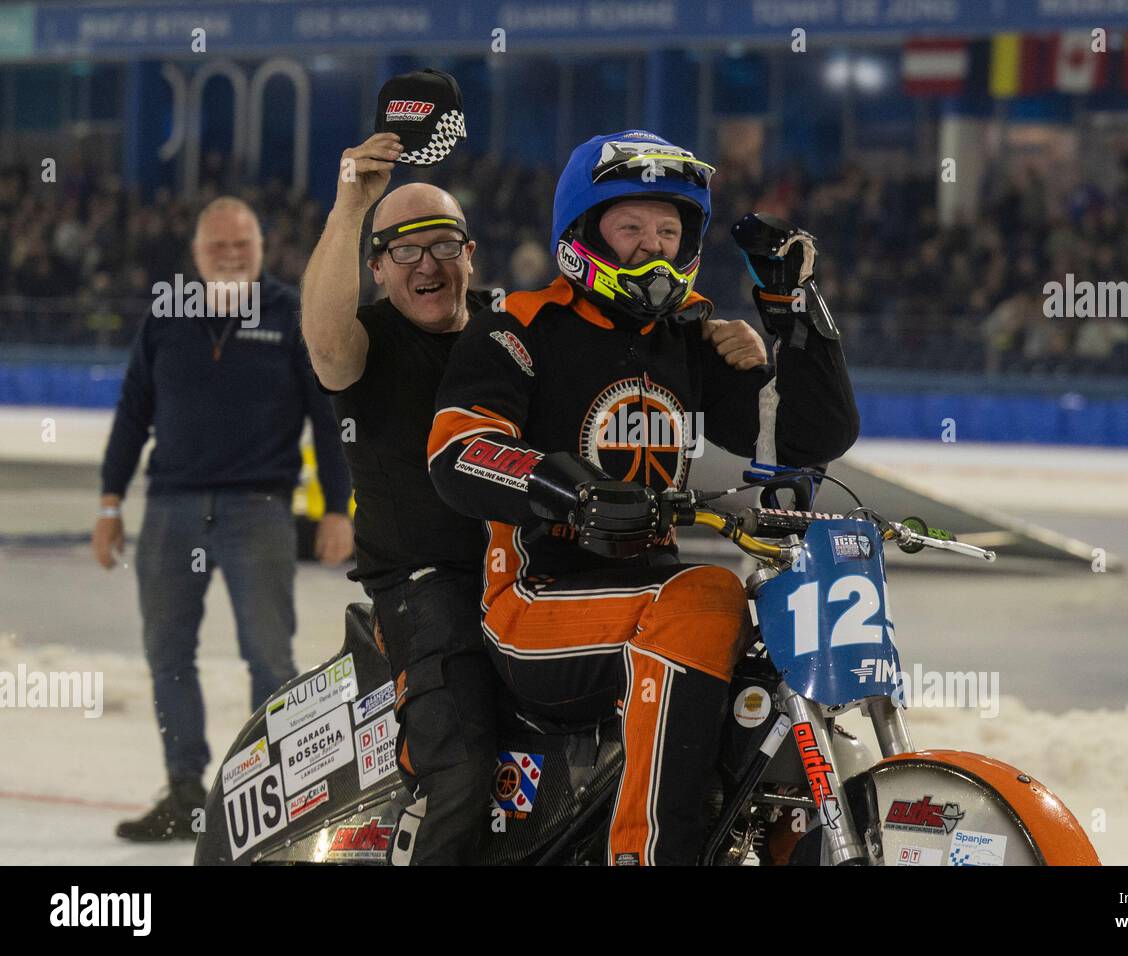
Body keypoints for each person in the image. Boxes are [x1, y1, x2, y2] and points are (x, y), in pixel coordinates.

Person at [428, 130, 859, 865]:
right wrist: (567, 491)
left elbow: (806, 438)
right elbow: (457, 453)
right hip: (533, 602)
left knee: (758, 641)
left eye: (669, 230)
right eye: (630, 227)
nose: (650, 247)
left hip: (646, 596)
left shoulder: (692, 337)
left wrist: (791, 312)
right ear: (583, 231)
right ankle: (648, 852)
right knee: (706, 598)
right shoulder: (520, 327)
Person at [94, 196, 354, 842]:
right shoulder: (166, 315)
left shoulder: (290, 313)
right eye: (219, 248)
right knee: (167, 652)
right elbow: (132, 414)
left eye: (243, 247)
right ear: (198, 253)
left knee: (269, 657)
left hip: (258, 510)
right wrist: (107, 503)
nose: (232, 257)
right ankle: (185, 791)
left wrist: (336, 508)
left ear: (261, 249)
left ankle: (278, 799)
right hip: (171, 509)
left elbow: (328, 421)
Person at [299, 132, 500, 865]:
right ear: (378, 269)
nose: (428, 264)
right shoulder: (367, 343)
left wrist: (710, 330)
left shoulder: (512, 331)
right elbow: (323, 340)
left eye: (444, 243)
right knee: (462, 766)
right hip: (424, 586)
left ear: (470, 255)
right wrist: (352, 202)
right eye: (404, 251)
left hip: (529, 575)